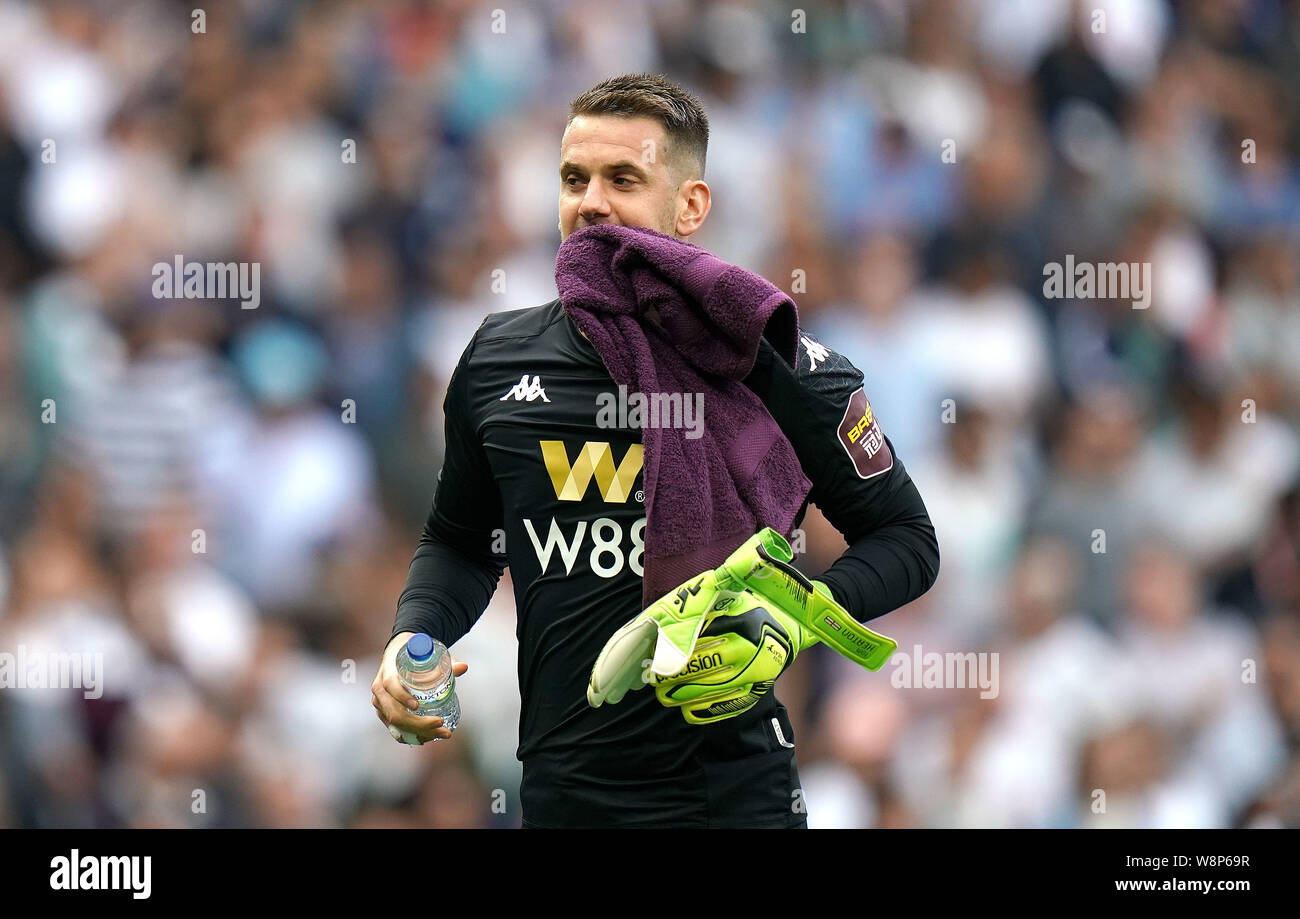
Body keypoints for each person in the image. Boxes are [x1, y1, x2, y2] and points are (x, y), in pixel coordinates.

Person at [371, 73, 939, 828]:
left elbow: (907, 540)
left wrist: (793, 615)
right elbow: (462, 541)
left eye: (623, 179)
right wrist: (418, 630)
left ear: (690, 206)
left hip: (732, 796)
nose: (591, 202)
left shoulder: (776, 362)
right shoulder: (496, 361)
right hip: (563, 793)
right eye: (574, 180)